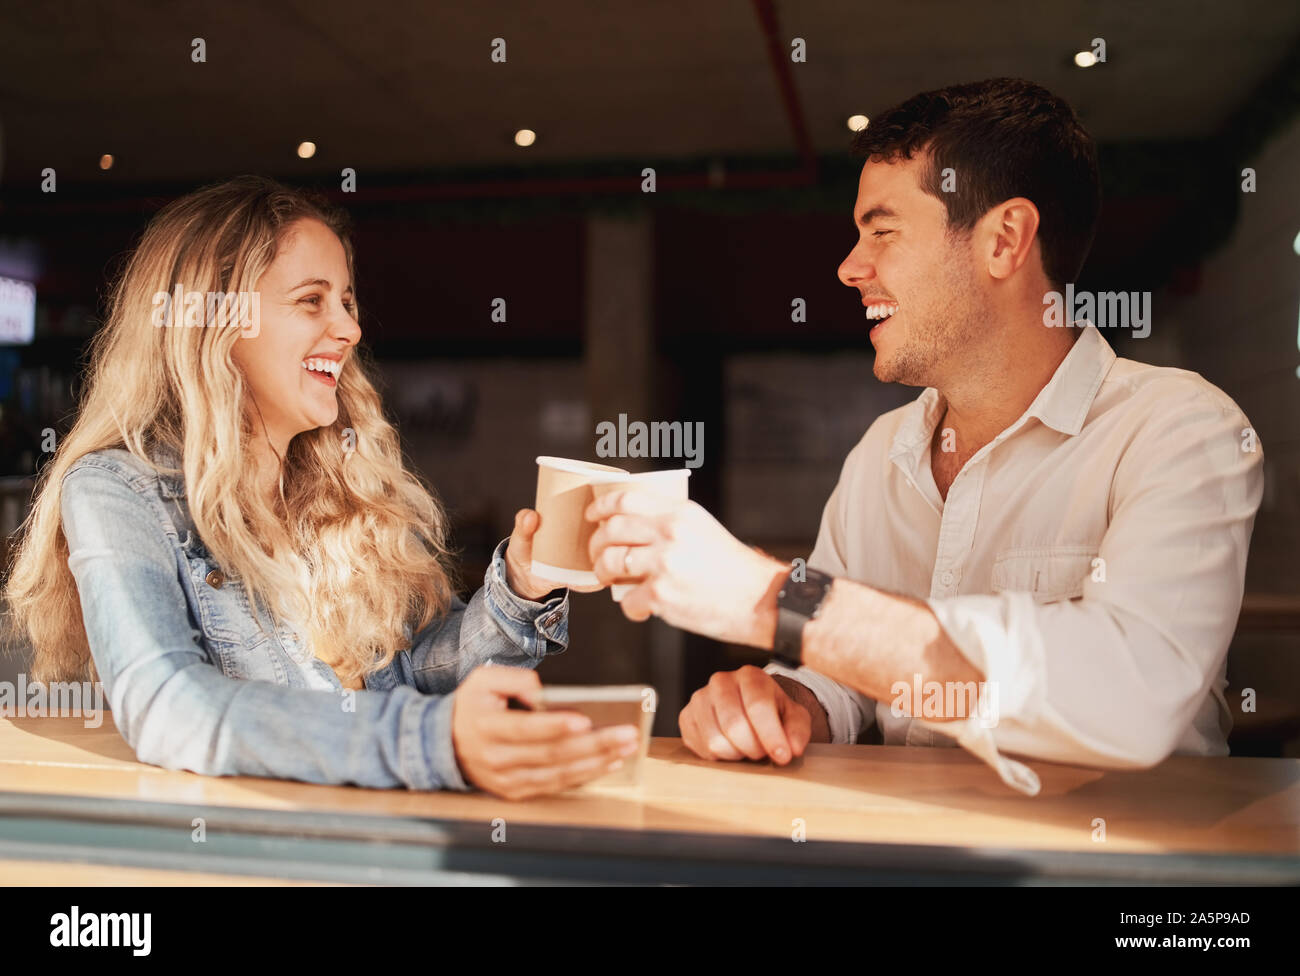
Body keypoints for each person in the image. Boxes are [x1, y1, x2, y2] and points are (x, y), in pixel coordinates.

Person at [585, 78, 1264, 794]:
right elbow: (836, 675)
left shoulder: (1181, 430)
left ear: (1004, 241)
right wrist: (785, 704)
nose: (850, 266)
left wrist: (769, 598)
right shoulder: (881, 452)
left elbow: (1131, 695)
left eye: (881, 231)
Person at [3, 176, 640, 799]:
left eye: (347, 301)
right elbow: (169, 706)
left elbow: (413, 673)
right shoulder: (118, 491)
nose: (349, 328)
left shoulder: (340, 485)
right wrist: (430, 741)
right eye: (312, 300)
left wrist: (524, 589)